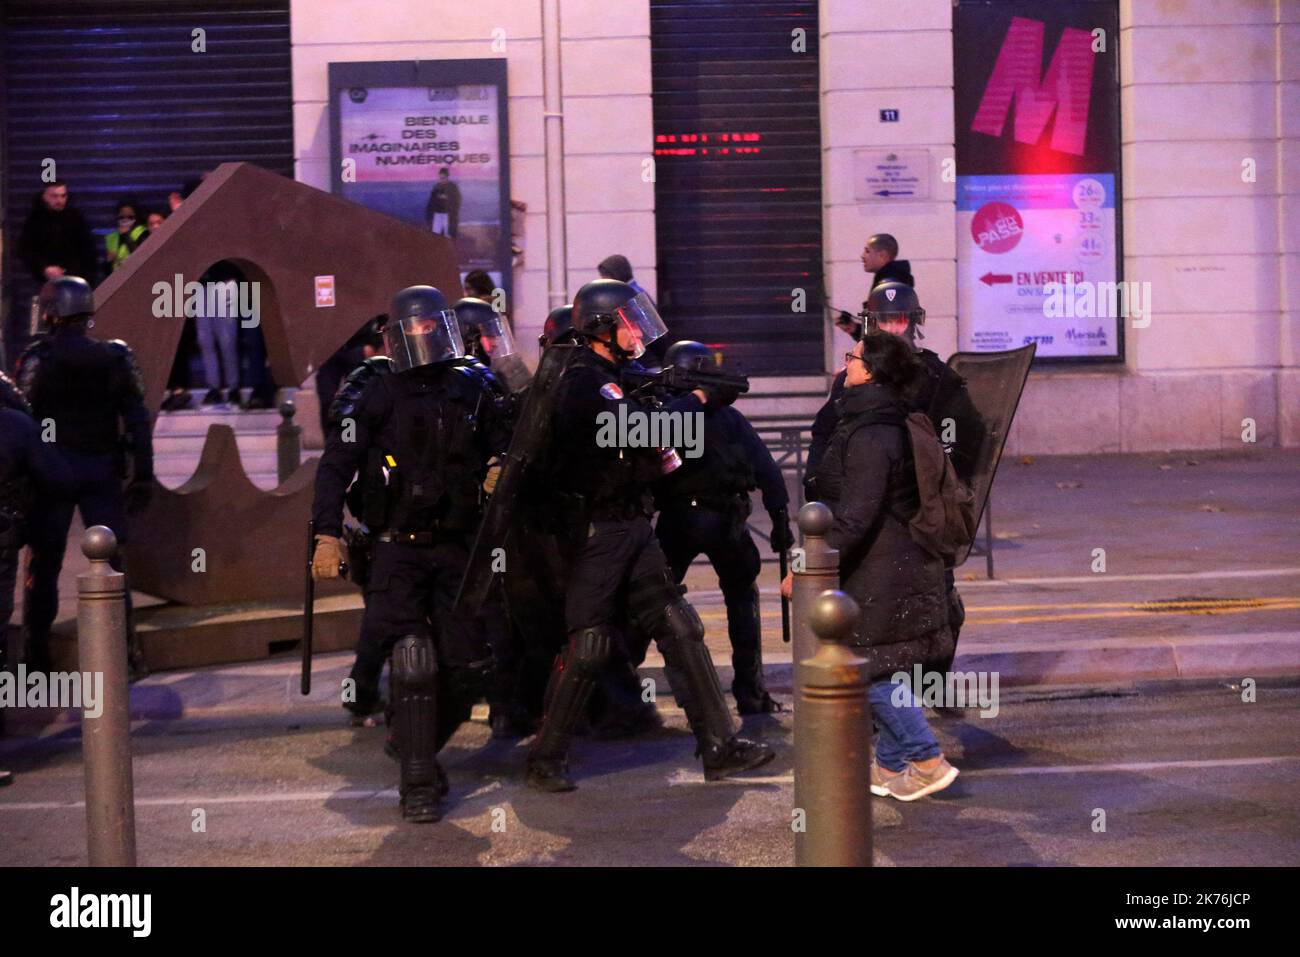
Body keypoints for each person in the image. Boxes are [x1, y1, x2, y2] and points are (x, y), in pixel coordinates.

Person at [524, 278, 773, 792]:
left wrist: (687, 383)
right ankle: (546, 755)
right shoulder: (581, 383)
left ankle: (719, 746)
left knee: (680, 628)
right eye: (628, 321)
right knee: (589, 644)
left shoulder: (613, 375)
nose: (638, 331)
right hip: (595, 532)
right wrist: (701, 397)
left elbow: (652, 408)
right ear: (600, 328)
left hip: (631, 525)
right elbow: (640, 431)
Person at [310, 285, 511, 823]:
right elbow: (336, 465)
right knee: (415, 662)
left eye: (432, 327)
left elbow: (509, 438)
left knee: (469, 669)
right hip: (396, 548)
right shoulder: (374, 388)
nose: (424, 337)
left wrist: (499, 463)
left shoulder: (472, 383)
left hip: (458, 548)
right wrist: (326, 534)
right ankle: (418, 783)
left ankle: (411, 744)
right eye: (414, 329)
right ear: (396, 335)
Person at [784, 331, 958, 800]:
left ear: (871, 371)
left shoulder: (873, 432)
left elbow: (857, 516)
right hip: (896, 562)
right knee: (886, 665)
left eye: (853, 357)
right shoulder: (882, 419)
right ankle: (889, 765)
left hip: (886, 567)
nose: (846, 364)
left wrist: (806, 564)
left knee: (871, 669)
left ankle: (926, 760)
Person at [16, 276, 153, 679]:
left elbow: (23, 419)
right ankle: (125, 653)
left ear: (53, 312)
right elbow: (137, 418)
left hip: (53, 471)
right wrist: (143, 473)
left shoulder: (39, 358)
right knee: (111, 563)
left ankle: (35, 656)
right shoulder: (115, 356)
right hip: (101, 468)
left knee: (44, 564)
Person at [647, 340, 792, 713]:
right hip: (725, 520)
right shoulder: (724, 418)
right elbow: (768, 472)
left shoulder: (668, 412)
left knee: (656, 605)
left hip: (680, 520)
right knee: (741, 603)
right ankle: (750, 692)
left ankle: (637, 693)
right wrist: (780, 521)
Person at [104, 198, 147, 273]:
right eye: (122, 217)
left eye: (130, 217)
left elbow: (141, 258)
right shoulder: (111, 237)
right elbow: (106, 271)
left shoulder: (142, 232)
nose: (125, 220)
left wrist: (126, 235)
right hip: (116, 279)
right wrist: (108, 261)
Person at [425, 168, 461, 237]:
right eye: (440, 177)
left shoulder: (453, 187)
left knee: (448, 234)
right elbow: (432, 200)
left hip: (448, 215)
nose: (441, 179)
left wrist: (453, 211)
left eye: (443, 177)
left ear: (447, 177)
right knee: (435, 233)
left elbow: (457, 200)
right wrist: (429, 212)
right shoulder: (436, 186)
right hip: (437, 213)